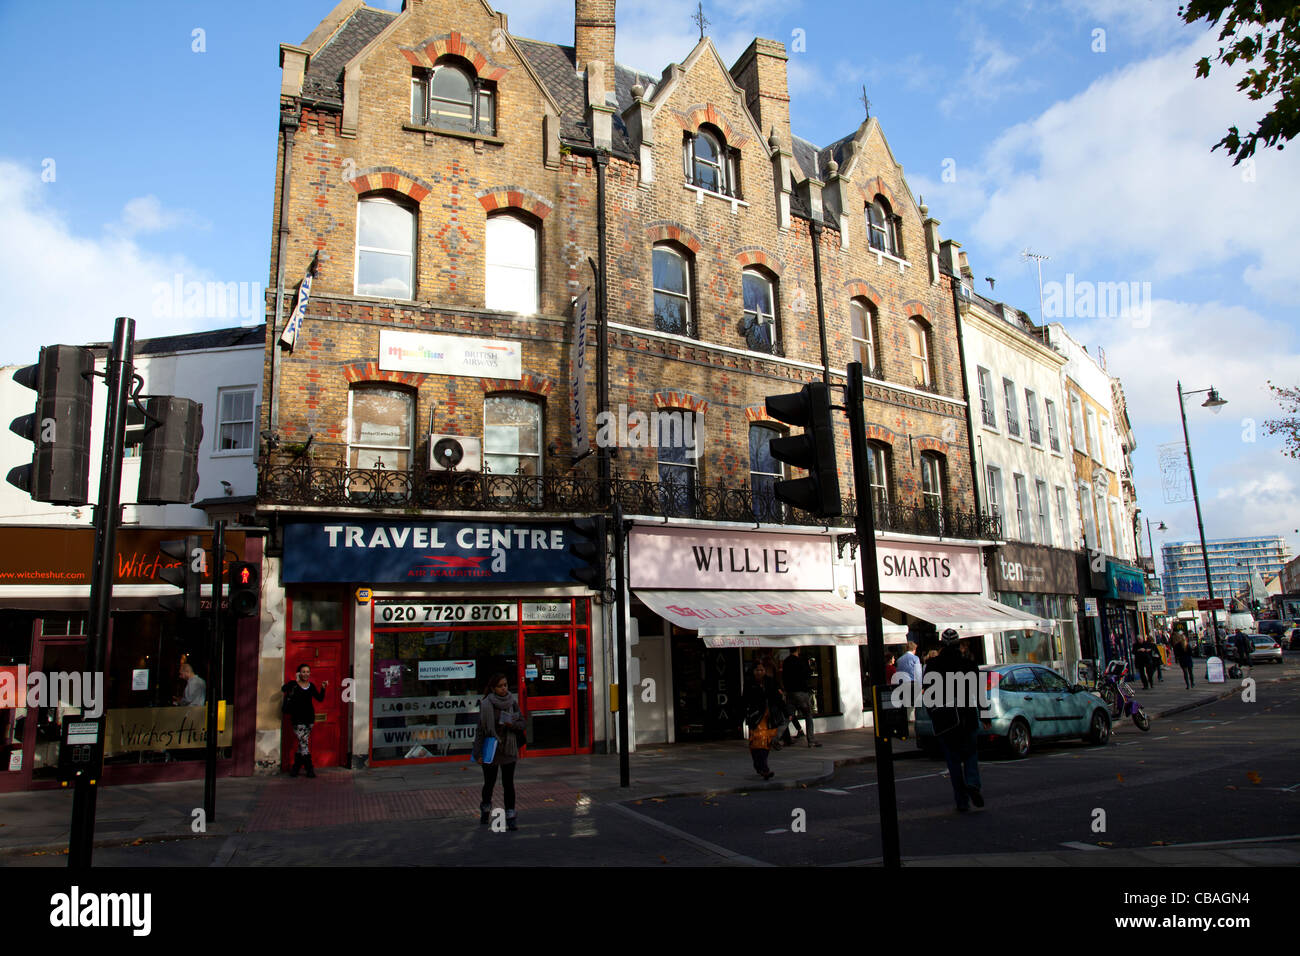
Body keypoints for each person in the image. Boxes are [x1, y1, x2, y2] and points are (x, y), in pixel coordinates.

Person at [924, 629, 983, 813]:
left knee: (953, 760)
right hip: (967, 716)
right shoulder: (968, 664)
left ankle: (961, 800)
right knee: (971, 754)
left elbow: (927, 693)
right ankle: (972, 783)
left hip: (946, 720)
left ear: (942, 644)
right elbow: (979, 692)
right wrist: (986, 715)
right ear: (959, 645)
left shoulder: (933, 664)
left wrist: (933, 714)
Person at [475, 672, 526, 831]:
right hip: (491, 748)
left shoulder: (512, 702)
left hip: (508, 748)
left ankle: (510, 815)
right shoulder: (486, 704)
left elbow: (522, 723)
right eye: (500, 686)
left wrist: (512, 724)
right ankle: (485, 808)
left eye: (505, 685)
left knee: (508, 783)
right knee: (489, 783)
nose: (504, 688)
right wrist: (478, 753)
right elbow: (481, 730)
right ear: (493, 688)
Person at [281, 665, 327, 778]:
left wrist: (323, 688)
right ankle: (309, 768)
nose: (306, 674)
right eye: (303, 672)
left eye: (307, 672)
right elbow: (283, 689)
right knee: (304, 743)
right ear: (299, 673)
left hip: (309, 718)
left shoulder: (311, 686)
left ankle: (295, 768)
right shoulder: (293, 685)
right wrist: (295, 681)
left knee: (302, 743)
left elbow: (319, 698)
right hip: (297, 719)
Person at [743, 661, 781, 779]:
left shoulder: (770, 682)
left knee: (766, 742)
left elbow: (777, 697)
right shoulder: (749, 683)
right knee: (758, 741)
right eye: (757, 670)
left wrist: (786, 712)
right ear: (753, 671)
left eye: (761, 670)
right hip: (756, 717)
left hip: (769, 716)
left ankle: (761, 766)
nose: (759, 672)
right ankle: (763, 768)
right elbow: (744, 700)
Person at [780, 646, 821, 748]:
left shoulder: (786, 661)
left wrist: (786, 689)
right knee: (808, 715)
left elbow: (783, 676)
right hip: (801, 692)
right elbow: (807, 674)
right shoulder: (801, 661)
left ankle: (776, 737)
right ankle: (811, 740)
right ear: (798, 649)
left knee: (788, 717)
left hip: (790, 692)